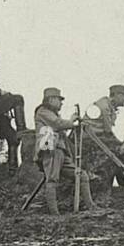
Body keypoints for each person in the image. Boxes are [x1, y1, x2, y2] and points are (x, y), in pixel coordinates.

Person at [33, 87, 94, 217]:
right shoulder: (43, 112)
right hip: (50, 149)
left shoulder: (52, 113)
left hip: (60, 150)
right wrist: (71, 120)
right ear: (51, 100)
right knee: (52, 180)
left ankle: (91, 207)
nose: (61, 103)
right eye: (59, 100)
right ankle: (55, 214)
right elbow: (58, 124)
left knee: (81, 175)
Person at [85, 84, 124, 191]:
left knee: (117, 153)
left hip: (97, 137)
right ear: (116, 95)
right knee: (117, 153)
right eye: (123, 96)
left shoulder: (109, 106)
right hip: (90, 139)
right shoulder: (104, 107)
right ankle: (117, 185)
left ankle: (122, 185)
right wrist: (121, 144)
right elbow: (108, 131)